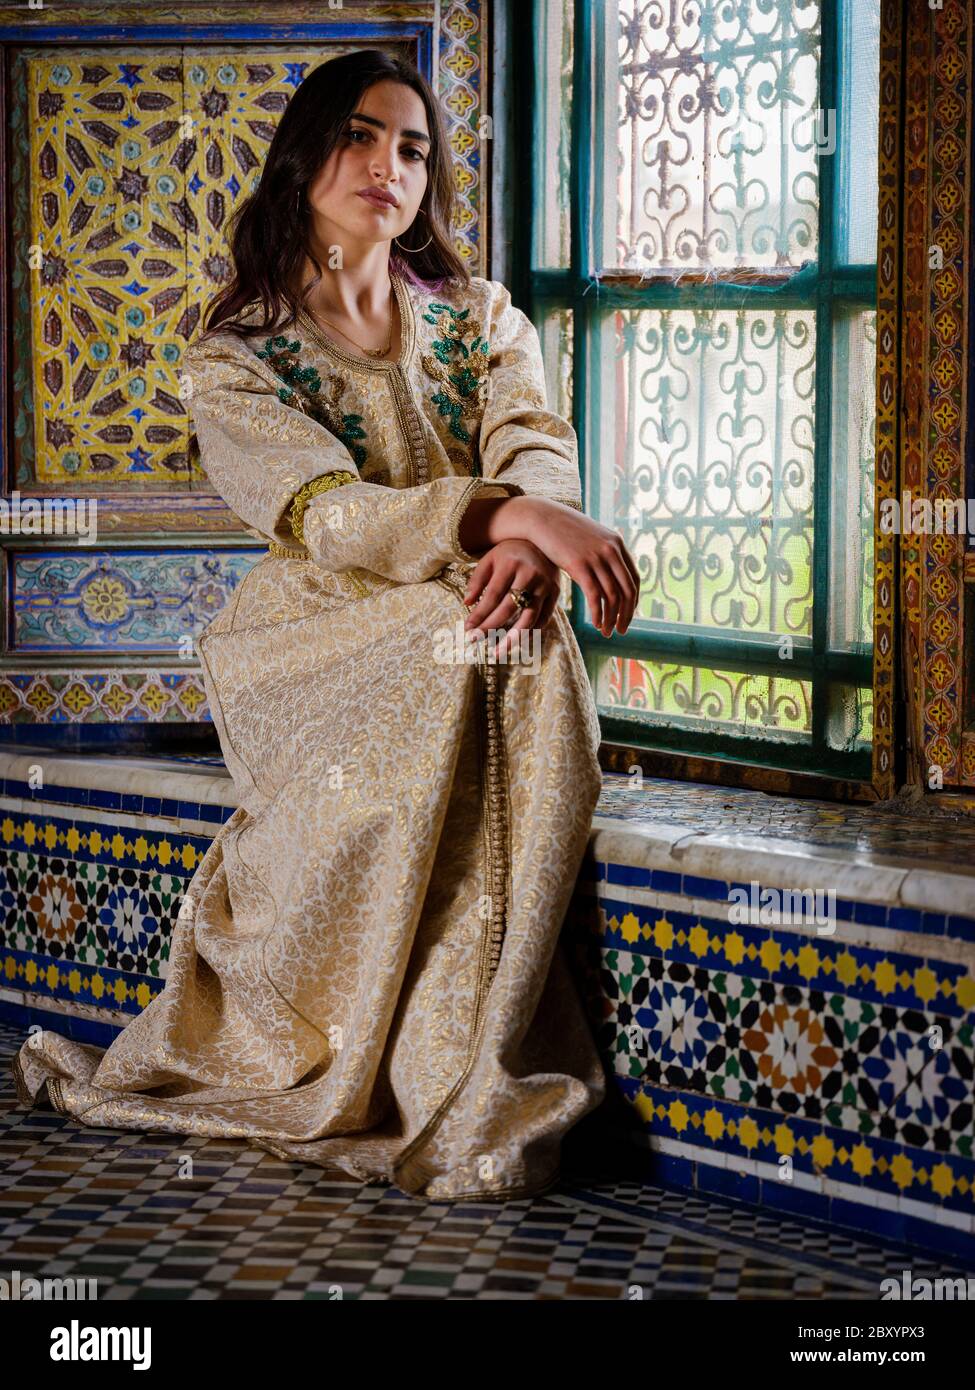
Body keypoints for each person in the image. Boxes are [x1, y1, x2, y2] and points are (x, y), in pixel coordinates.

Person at [12, 49, 640, 1202]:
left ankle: (467, 1059)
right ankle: (346, 1054)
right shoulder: (236, 359)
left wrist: (518, 530)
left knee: (514, 634)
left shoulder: (480, 317)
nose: (389, 165)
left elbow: (532, 434)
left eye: (413, 148)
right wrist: (505, 520)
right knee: (468, 632)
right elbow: (331, 516)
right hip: (313, 633)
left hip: (472, 595)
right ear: (304, 158)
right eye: (361, 135)